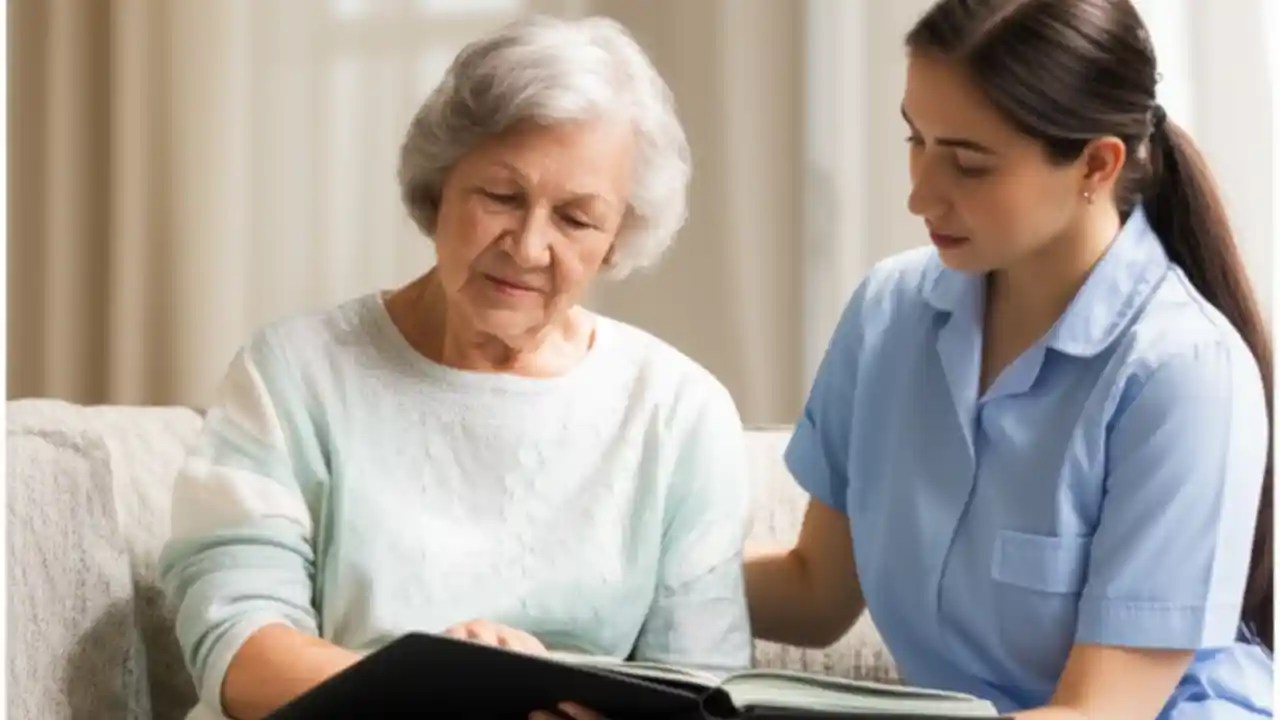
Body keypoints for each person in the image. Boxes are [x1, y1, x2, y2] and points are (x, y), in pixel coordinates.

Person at [159, 15, 753, 720]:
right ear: (440, 186)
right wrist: (452, 689)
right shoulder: (294, 374)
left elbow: (704, 696)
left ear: (619, 236)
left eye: (576, 219)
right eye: (501, 197)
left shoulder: (678, 413)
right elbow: (243, 659)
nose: (529, 247)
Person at [745, 1, 1273, 718]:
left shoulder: (1184, 375)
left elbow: (1098, 712)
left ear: (1096, 164)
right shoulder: (888, 315)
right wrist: (605, 599)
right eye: (915, 140)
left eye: (967, 163)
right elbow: (817, 591)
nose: (920, 194)